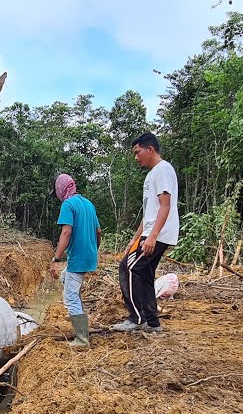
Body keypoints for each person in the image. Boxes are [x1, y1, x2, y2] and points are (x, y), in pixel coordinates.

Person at [112, 132, 178, 333]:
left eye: (137, 152)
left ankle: (136, 318)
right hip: (150, 232)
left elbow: (165, 206)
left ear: (150, 149)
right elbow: (149, 212)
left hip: (158, 233)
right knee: (145, 275)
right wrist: (135, 238)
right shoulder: (152, 174)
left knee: (128, 268)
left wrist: (153, 236)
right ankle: (152, 322)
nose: (135, 157)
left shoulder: (163, 170)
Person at [50, 173, 101, 348]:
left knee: (70, 297)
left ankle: (81, 338)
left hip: (78, 258)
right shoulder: (88, 204)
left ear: (60, 189)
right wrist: (94, 250)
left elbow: (66, 232)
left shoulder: (68, 204)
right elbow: (98, 232)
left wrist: (56, 258)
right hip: (89, 255)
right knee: (66, 278)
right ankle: (77, 313)